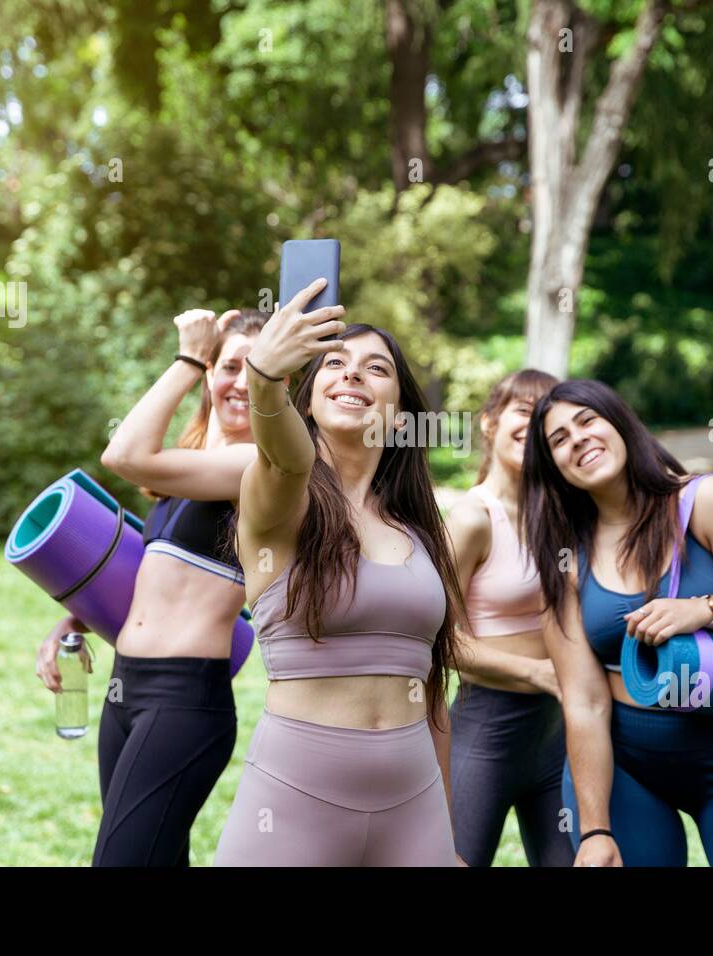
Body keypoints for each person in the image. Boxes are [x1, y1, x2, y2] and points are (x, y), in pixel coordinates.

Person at [521, 378, 713, 867]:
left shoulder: (705, 500)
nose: (577, 439)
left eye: (587, 421)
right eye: (558, 440)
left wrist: (705, 609)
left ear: (619, 423)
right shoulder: (563, 562)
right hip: (628, 767)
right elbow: (583, 700)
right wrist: (596, 829)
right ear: (553, 468)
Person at [212, 278, 466, 866]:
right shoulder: (278, 495)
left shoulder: (418, 529)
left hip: (415, 809)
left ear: (399, 413)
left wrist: (446, 835)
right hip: (293, 804)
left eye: (376, 368)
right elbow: (288, 456)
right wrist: (263, 378)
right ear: (307, 399)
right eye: (334, 363)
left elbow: (431, 691)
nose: (352, 374)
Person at [35, 307, 268, 866]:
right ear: (215, 373)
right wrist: (75, 619)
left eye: (261, 372)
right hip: (127, 689)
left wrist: (189, 356)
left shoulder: (255, 467)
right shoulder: (187, 469)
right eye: (231, 365)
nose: (241, 382)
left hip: (184, 700)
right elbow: (156, 580)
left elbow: (122, 454)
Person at [443, 369, 574, 866]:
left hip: (555, 733)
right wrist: (538, 672)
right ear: (490, 423)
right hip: (486, 730)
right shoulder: (472, 518)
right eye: (523, 410)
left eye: (547, 417)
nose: (535, 424)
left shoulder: (558, 514)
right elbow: (442, 642)